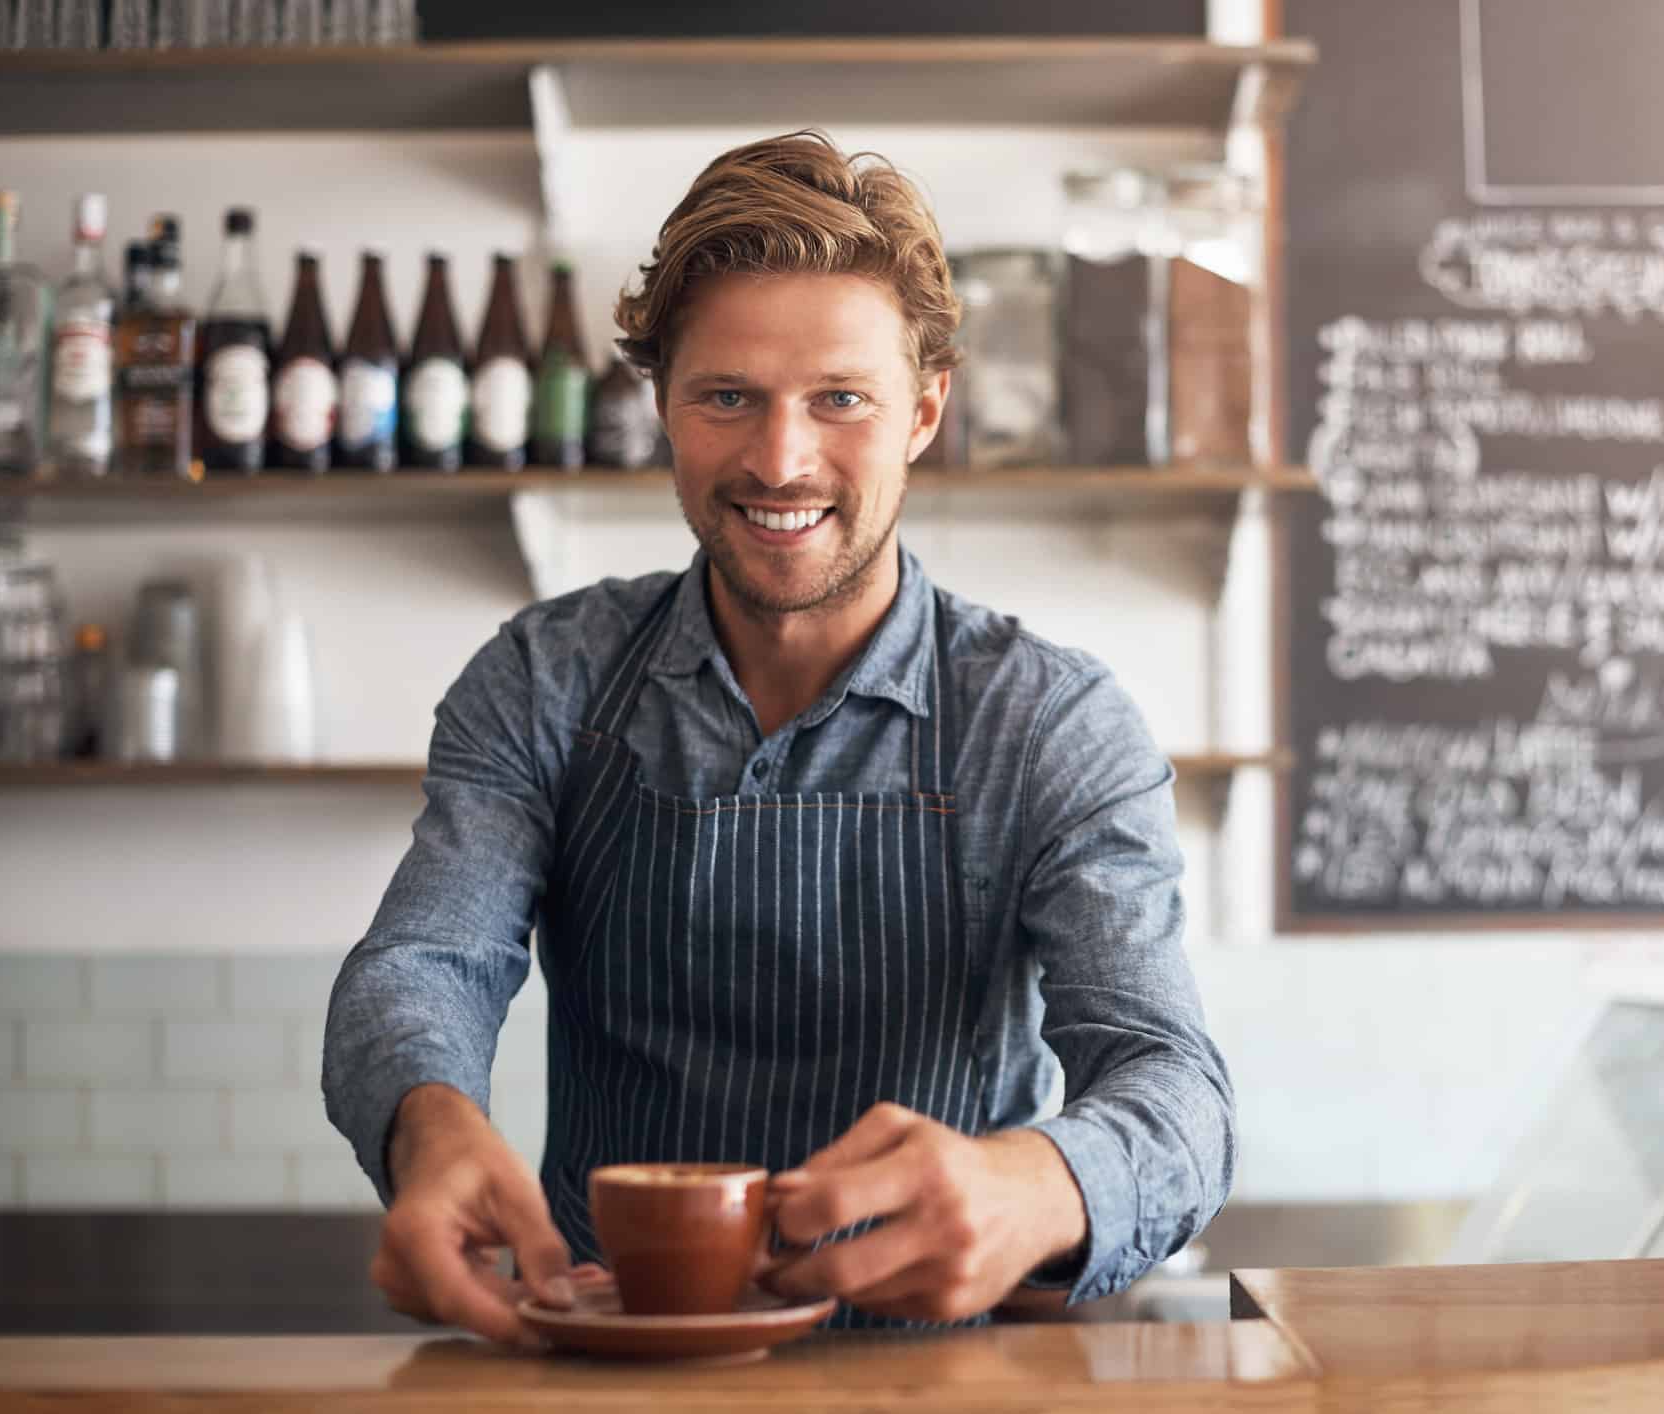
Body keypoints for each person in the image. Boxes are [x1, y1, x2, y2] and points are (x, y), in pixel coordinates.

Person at [322, 130, 1234, 1345]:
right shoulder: (546, 681)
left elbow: (1175, 1089)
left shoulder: (1048, 722)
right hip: (610, 1370)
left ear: (924, 410)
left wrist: (1039, 1181)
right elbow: (423, 962)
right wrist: (433, 1133)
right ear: (662, 407)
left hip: (938, 1378)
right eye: (727, 397)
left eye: (839, 399)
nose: (779, 459)